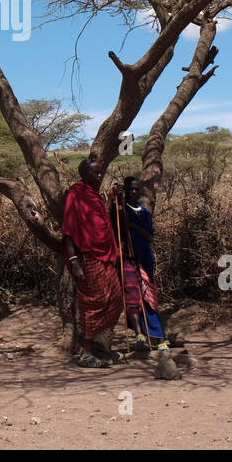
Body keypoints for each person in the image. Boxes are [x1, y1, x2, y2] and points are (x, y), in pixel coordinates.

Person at [62, 155, 123, 368]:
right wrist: (73, 261)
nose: (99, 176)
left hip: (106, 256)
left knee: (115, 299)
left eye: (100, 173)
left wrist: (112, 199)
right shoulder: (76, 194)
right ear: (84, 174)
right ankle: (86, 352)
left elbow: (102, 218)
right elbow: (68, 231)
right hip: (87, 257)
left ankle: (97, 345)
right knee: (91, 304)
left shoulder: (94, 197)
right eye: (94, 173)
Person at [112, 175, 167, 351]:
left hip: (145, 259)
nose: (134, 192)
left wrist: (134, 227)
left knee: (149, 298)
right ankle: (139, 335)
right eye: (131, 189)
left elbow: (150, 236)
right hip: (127, 257)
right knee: (132, 297)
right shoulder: (120, 209)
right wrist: (116, 199)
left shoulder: (144, 212)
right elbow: (115, 223)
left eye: (137, 189)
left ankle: (156, 336)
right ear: (126, 190)